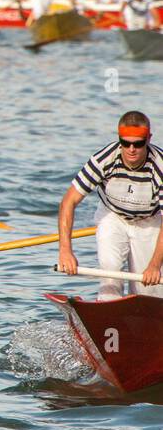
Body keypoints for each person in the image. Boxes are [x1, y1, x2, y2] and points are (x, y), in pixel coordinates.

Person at [57, 111, 163, 298]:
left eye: (138, 143)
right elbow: (69, 201)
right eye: (125, 143)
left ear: (149, 139)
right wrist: (65, 250)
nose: (131, 149)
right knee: (110, 269)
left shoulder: (160, 166)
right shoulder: (103, 159)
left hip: (150, 222)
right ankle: (107, 311)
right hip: (112, 216)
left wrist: (154, 266)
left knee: (149, 287)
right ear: (119, 139)